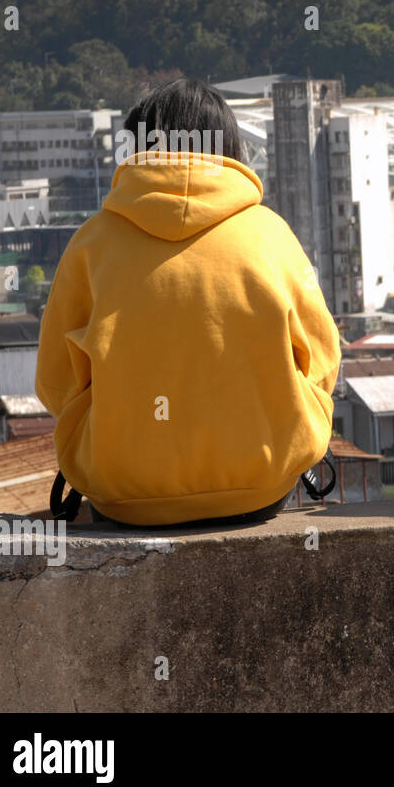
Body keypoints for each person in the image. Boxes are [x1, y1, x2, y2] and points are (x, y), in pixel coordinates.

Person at [35, 78, 340, 527]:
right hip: (260, 487)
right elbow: (322, 362)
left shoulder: (91, 245)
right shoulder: (271, 235)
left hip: (121, 495)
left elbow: (55, 385)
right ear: (230, 148)